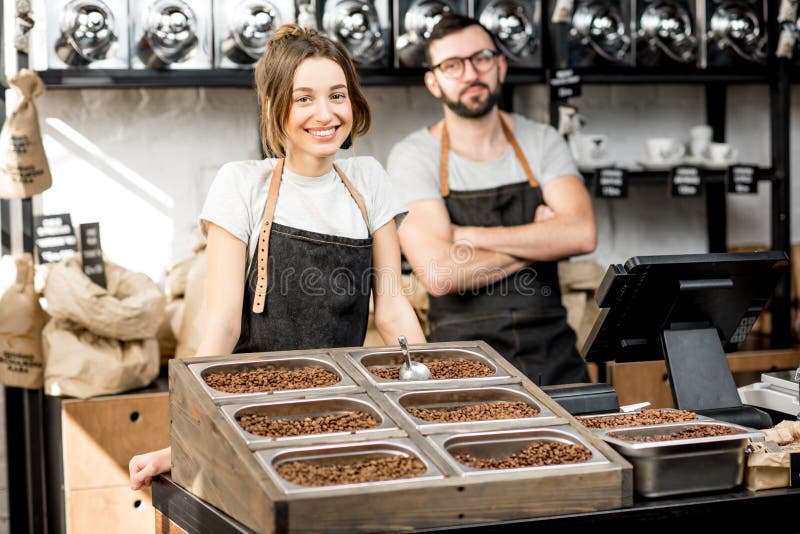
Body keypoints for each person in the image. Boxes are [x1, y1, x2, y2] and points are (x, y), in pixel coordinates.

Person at [129, 24, 425, 490]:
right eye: (303, 97)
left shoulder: (368, 181)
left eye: (337, 95)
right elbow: (222, 325)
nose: (325, 113)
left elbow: (391, 310)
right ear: (273, 107)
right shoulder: (241, 184)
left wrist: (434, 395)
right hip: (252, 416)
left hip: (345, 413)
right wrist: (182, 437)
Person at [387, 14, 596, 386]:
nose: (470, 74)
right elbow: (439, 274)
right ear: (433, 83)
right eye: (453, 65)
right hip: (462, 364)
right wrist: (543, 236)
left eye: (481, 58)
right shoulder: (414, 156)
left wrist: (472, 238)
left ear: (500, 65)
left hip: (555, 356)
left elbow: (580, 234)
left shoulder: (542, 140)